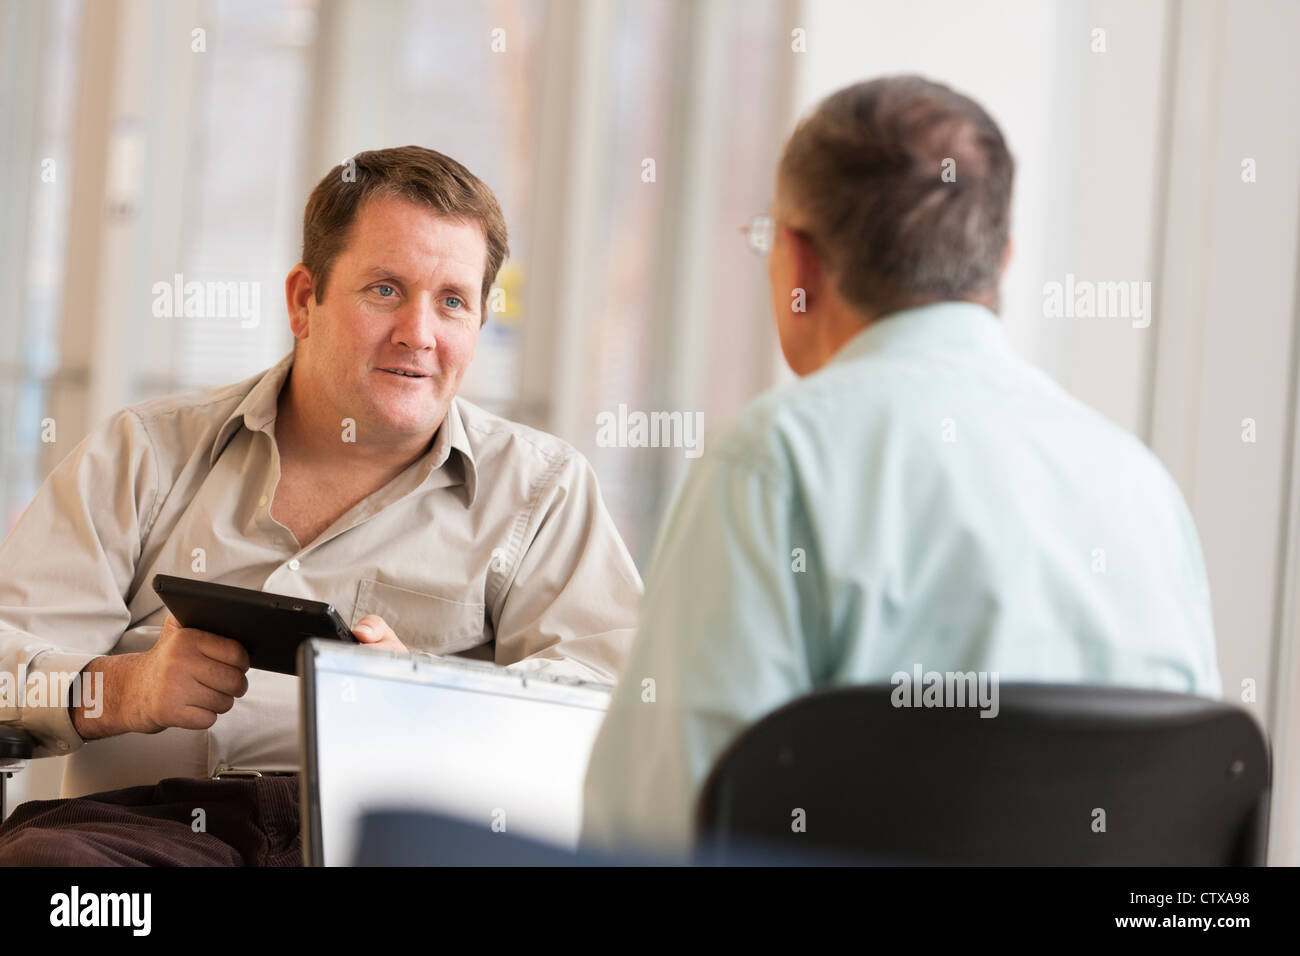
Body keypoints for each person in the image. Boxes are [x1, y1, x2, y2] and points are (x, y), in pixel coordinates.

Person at [581, 75, 1221, 859]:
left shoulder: (774, 462)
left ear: (799, 264)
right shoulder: (1143, 488)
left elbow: (651, 836)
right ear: (1001, 263)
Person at [0, 146, 641, 864]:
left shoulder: (543, 490)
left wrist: (433, 701)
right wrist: (123, 690)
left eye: (452, 302)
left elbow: (611, 719)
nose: (419, 335)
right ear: (305, 300)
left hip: (395, 842)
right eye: (386, 290)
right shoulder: (144, 455)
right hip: (150, 832)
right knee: (52, 881)